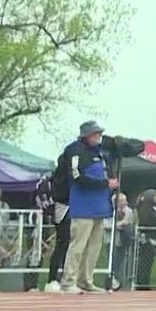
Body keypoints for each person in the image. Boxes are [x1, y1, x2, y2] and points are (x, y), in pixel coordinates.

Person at [58, 121, 119, 294]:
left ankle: (86, 279)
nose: (98, 137)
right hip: (83, 206)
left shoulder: (100, 153)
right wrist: (104, 183)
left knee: (94, 247)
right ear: (86, 135)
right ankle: (68, 281)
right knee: (78, 245)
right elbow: (77, 176)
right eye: (95, 134)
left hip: (99, 207)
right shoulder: (76, 150)